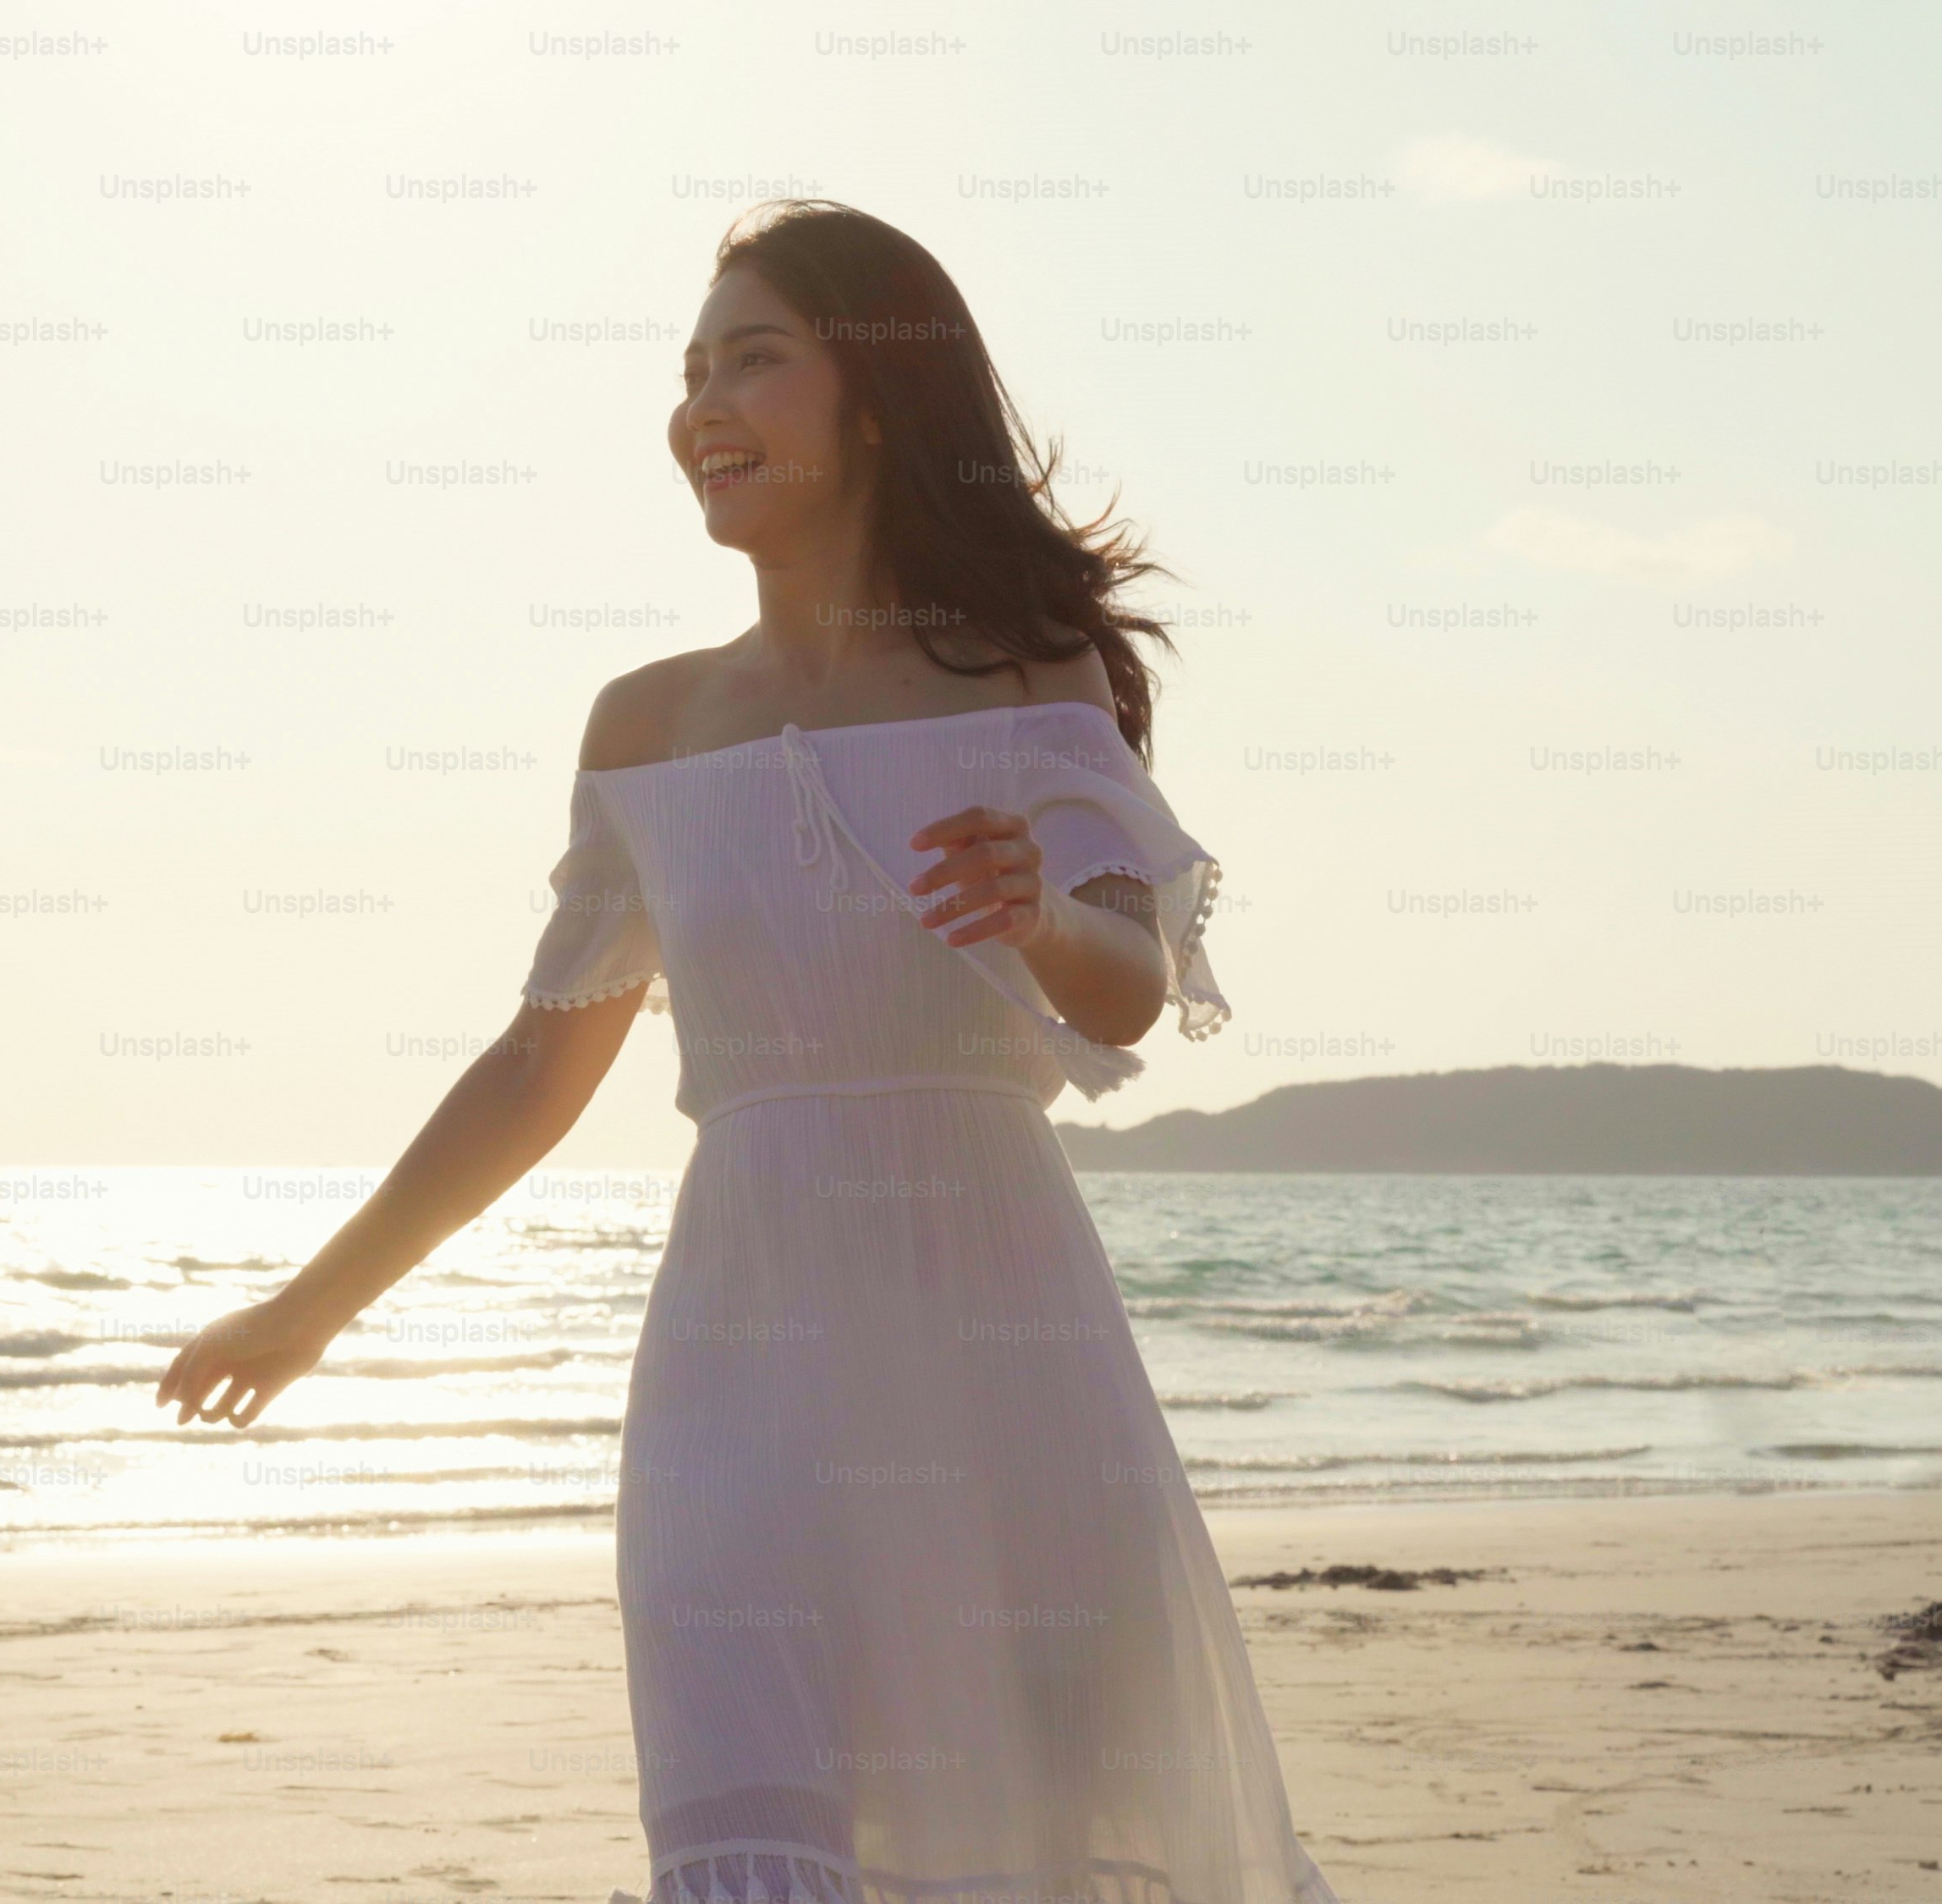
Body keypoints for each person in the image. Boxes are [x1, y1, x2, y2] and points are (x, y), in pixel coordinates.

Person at [159, 199, 1338, 1904]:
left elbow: (1122, 986)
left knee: (1032, 1842)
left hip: (1000, 1355)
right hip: (737, 1373)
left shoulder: (1021, 673)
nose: (700, 407)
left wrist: (1029, 918)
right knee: (745, 1824)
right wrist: (309, 1305)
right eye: (686, 373)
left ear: (873, 396)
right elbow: (535, 1069)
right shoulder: (645, 726)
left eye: (752, 361)